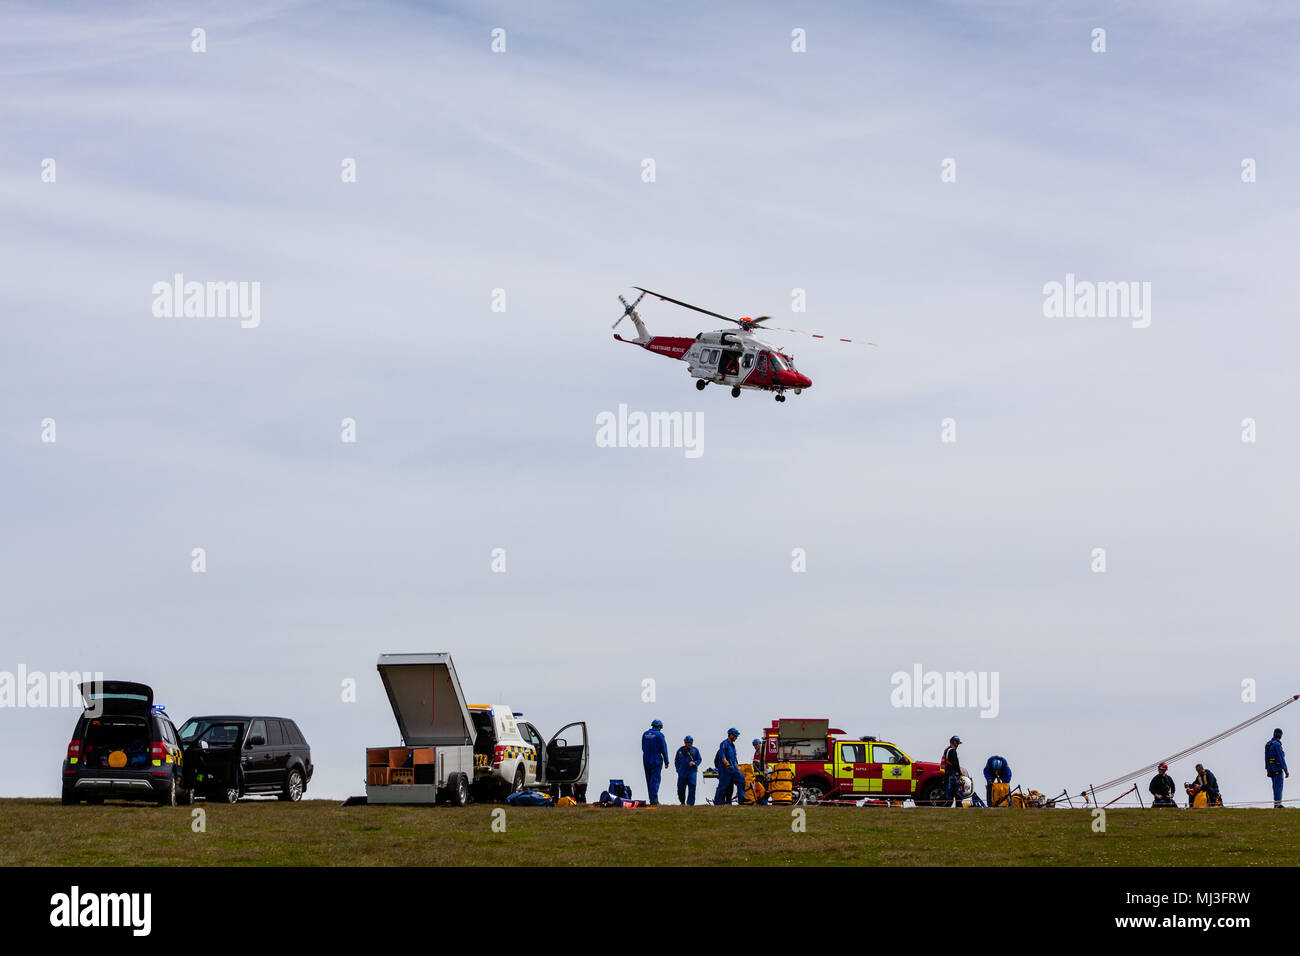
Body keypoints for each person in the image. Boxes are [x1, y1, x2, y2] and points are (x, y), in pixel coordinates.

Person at [714, 728, 746, 805]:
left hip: (733, 768)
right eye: (735, 736)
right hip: (725, 769)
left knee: (741, 780)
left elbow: (734, 757)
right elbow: (722, 754)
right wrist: (725, 762)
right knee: (723, 786)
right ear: (731, 735)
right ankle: (718, 802)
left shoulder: (732, 745)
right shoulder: (724, 743)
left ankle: (741, 799)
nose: (736, 738)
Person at [641, 719, 669, 806]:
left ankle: (652, 799)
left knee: (649, 780)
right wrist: (666, 761)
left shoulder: (645, 734)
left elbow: (642, 747)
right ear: (660, 727)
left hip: (646, 758)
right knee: (655, 780)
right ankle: (654, 801)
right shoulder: (660, 735)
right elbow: (664, 749)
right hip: (656, 759)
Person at [674, 735, 702, 805]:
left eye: (690, 743)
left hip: (692, 772)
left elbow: (699, 759)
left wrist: (694, 763)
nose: (688, 744)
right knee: (681, 788)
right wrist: (678, 770)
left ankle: (690, 804)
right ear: (685, 742)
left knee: (692, 788)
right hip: (682, 772)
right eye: (687, 742)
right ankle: (682, 802)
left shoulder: (695, 750)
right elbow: (676, 761)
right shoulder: (680, 750)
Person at [1266, 728, 1288, 809]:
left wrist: (1267, 770)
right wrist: (1285, 770)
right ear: (1280, 736)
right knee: (1278, 787)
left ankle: (1276, 804)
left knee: (1274, 787)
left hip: (1271, 769)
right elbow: (1281, 758)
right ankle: (1277, 804)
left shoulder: (1268, 744)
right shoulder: (1277, 745)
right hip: (1277, 769)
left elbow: (1266, 758)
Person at [941, 736, 963, 808]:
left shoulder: (947, 750)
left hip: (948, 775)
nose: (958, 746)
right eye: (957, 743)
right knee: (958, 795)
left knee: (950, 796)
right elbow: (955, 764)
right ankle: (959, 808)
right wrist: (959, 773)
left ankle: (948, 808)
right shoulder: (952, 751)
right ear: (954, 742)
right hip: (953, 776)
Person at [750, 738, 768, 805]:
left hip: (762, 773)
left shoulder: (762, 751)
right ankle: (760, 801)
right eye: (754, 745)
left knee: (763, 788)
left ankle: (763, 802)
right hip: (757, 774)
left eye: (756, 745)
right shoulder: (756, 752)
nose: (755, 746)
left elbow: (764, 762)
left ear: (760, 744)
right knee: (758, 787)